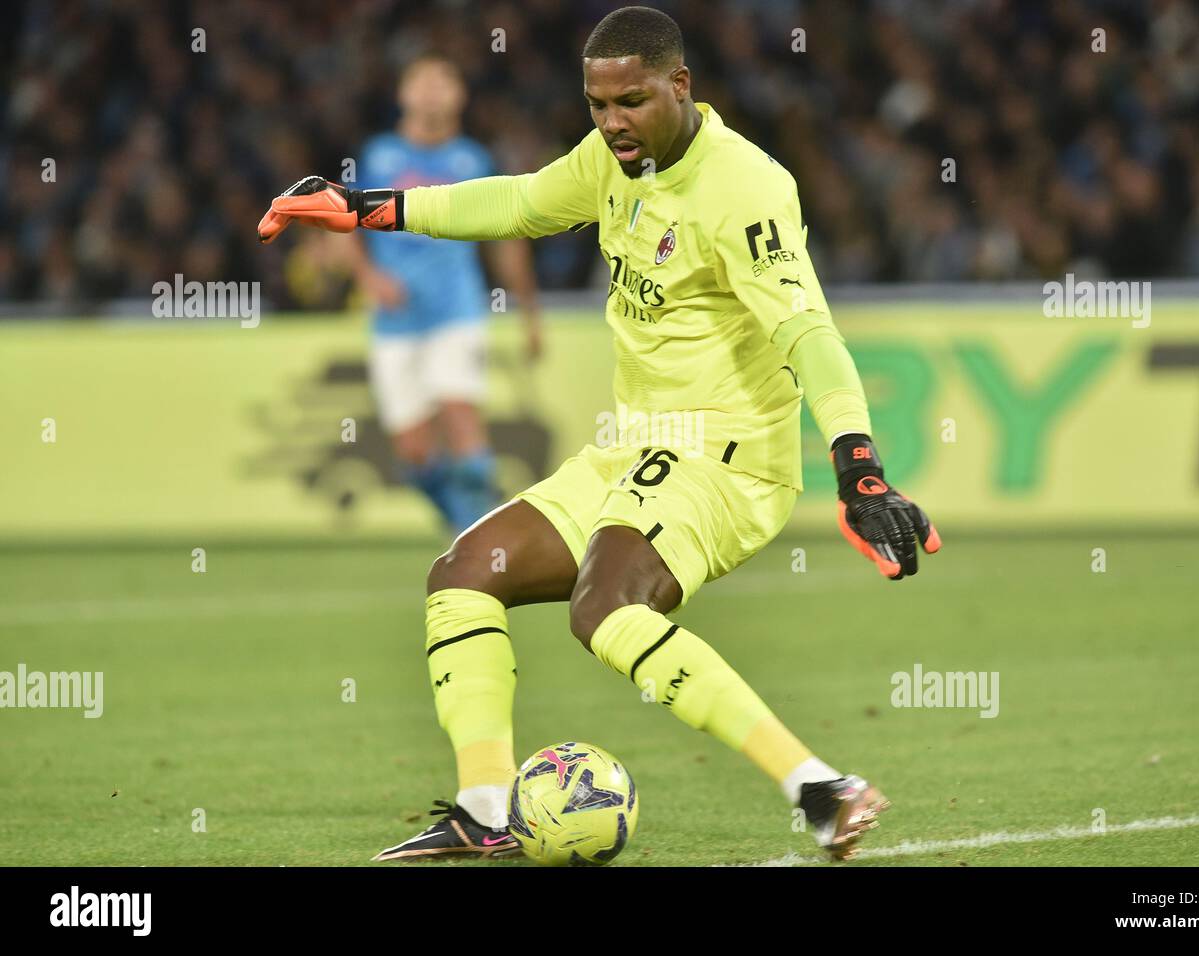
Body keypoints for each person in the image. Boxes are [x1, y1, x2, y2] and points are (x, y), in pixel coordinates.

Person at [258, 5, 940, 862]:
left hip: (726, 463)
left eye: (631, 101)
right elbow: (516, 202)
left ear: (679, 85)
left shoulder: (748, 188)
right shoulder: (614, 160)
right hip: (633, 449)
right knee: (462, 575)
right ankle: (484, 812)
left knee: (604, 608)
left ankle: (817, 788)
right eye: (597, 105)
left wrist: (859, 465)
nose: (613, 124)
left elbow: (810, 335)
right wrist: (365, 210)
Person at [347, 53, 542, 534]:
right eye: (422, 81)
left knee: (460, 418)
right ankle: (466, 524)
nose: (433, 90)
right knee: (413, 454)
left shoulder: (473, 161)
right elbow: (339, 221)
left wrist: (529, 315)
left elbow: (509, 238)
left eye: (444, 80)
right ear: (403, 94)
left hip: (457, 310)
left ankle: (483, 544)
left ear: (460, 96)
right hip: (395, 321)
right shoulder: (377, 157)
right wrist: (368, 277)